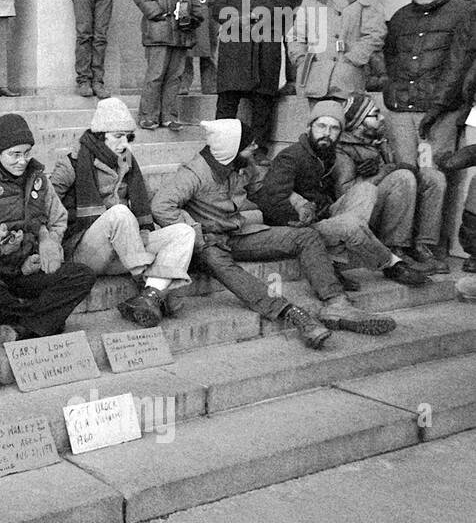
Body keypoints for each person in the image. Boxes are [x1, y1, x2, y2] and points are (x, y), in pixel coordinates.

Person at [152, 119, 395, 346]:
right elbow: (161, 206)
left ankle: (336, 303)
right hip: (205, 245)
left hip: (235, 235)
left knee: (306, 236)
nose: (255, 147)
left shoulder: (242, 165)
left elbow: (265, 189)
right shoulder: (192, 173)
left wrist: (299, 205)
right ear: (231, 149)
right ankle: (289, 313)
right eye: (249, 145)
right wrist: (196, 233)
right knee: (219, 261)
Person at [0, 114, 97, 368]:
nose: (23, 161)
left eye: (27, 153)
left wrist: (50, 241)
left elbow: (58, 218)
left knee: (82, 276)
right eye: (15, 154)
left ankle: (23, 327)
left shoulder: (38, 179)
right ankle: (43, 322)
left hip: (26, 270)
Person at [50, 98, 195, 327]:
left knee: (184, 233)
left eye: (128, 136)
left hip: (125, 249)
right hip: (86, 250)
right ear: (100, 135)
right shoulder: (73, 162)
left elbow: (143, 203)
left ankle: (149, 297)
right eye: (117, 136)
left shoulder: (126, 161)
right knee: (119, 212)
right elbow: (48, 207)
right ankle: (146, 279)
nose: (124, 143)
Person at [253, 101, 429, 287]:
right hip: (301, 227)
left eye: (334, 128)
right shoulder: (291, 156)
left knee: (366, 190)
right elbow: (272, 198)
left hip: (326, 216)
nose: (327, 133)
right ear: (309, 127)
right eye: (321, 126)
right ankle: (391, 264)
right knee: (350, 224)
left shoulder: (326, 154)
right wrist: (302, 216)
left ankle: (339, 253)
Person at [334, 94, 450, 276]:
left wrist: (388, 169)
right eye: (374, 116)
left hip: (389, 205)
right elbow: (347, 194)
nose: (382, 119)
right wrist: (384, 171)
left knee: (433, 177)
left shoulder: (377, 139)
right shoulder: (343, 148)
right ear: (357, 122)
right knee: (403, 177)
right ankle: (395, 248)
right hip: (362, 212)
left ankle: (422, 246)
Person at [380, 0, 476, 167]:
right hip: (401, 110)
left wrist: (438, 106)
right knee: (405, 172)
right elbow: (390, 58)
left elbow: (459, 64)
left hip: (442, 111)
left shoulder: (465, 12)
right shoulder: (400, 17)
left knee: (433, 172)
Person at [215, 0, 297, 159]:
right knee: (227, 102)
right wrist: (248, 16)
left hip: (265, 47)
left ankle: (259, 150)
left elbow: (283, 9)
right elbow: (219, 10)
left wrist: (245, 16)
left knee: (262, 103)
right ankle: (219, 148)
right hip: (234, 50)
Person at [132, 0, 205, 131]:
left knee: (175, 76)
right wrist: (157, 14)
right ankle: (148, 116)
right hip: (159, 28)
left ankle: (169, 116)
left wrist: (195, 17)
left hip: (182, 29)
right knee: (156, 74)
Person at [289, 0, 385, 103]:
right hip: (314, 78)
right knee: (316, 126)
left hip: (348, 78)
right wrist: (301, 60)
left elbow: (374, 35)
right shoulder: (311, 0)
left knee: (346, 126)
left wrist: (352, 59)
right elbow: (296, 36)